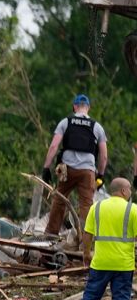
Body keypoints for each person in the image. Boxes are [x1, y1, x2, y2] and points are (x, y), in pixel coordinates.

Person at [72, 177, 136, 300]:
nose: (131, 192)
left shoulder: (97, 207)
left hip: (100, 262)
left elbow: (88, 233)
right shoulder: (133, 210)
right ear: (123, 191)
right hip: (123, 265)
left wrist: (86, 253)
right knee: (121, 297)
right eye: (129, 189)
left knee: (91, 295)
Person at [42, 94, 108, 237]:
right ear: (88, 108)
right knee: (86, 206)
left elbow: (53, 146)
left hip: (67, 170)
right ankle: (85, 241)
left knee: (59, 200)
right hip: (87, 172)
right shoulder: (97, 127)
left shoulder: (65, 122)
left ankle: (50, 235)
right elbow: (103, 156)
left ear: (74, 107)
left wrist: (46, 167)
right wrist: (101, 175)